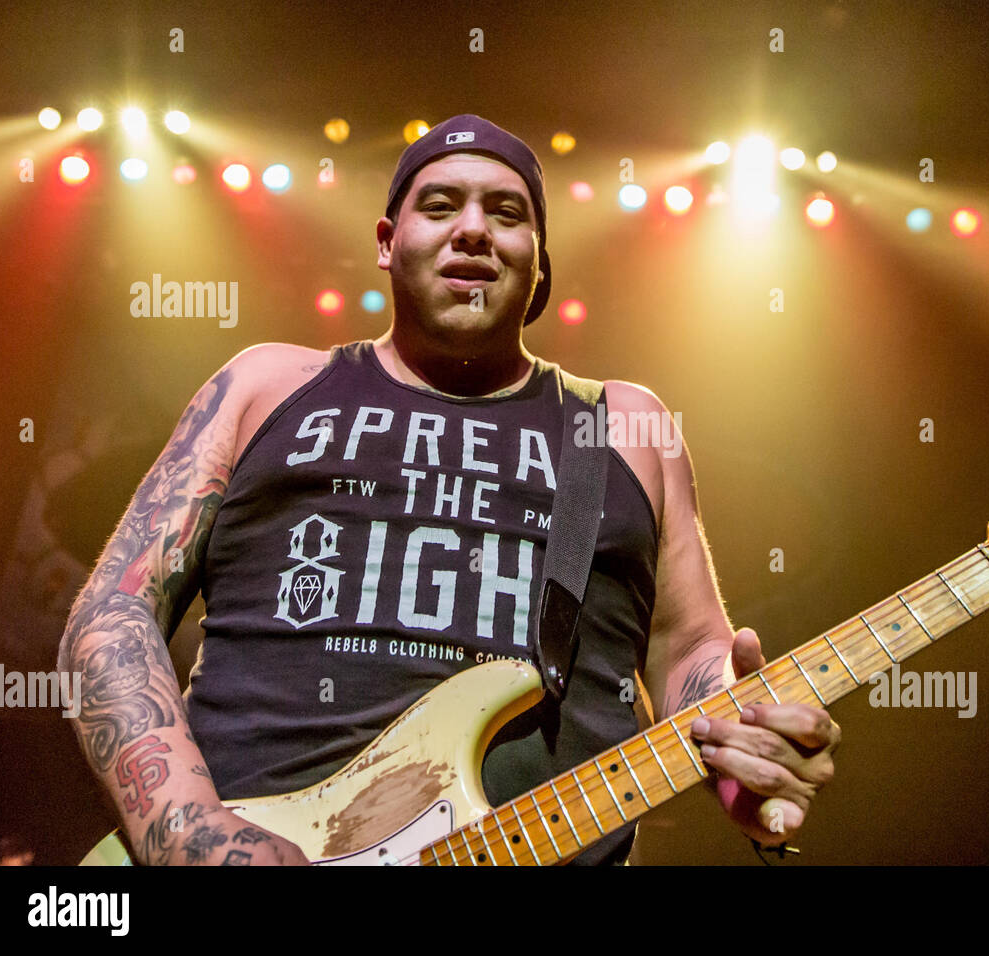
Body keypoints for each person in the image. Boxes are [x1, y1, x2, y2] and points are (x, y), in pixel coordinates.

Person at [58, 114, 840, 865]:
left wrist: (742, 754)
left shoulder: (626, 424)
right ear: (387, 241)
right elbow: (115, 609)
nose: (473, 228)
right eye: (439, 205)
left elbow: (689, 644)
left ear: (538, 259)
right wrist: (188, 833)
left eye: (506, 212)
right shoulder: (267, 385)